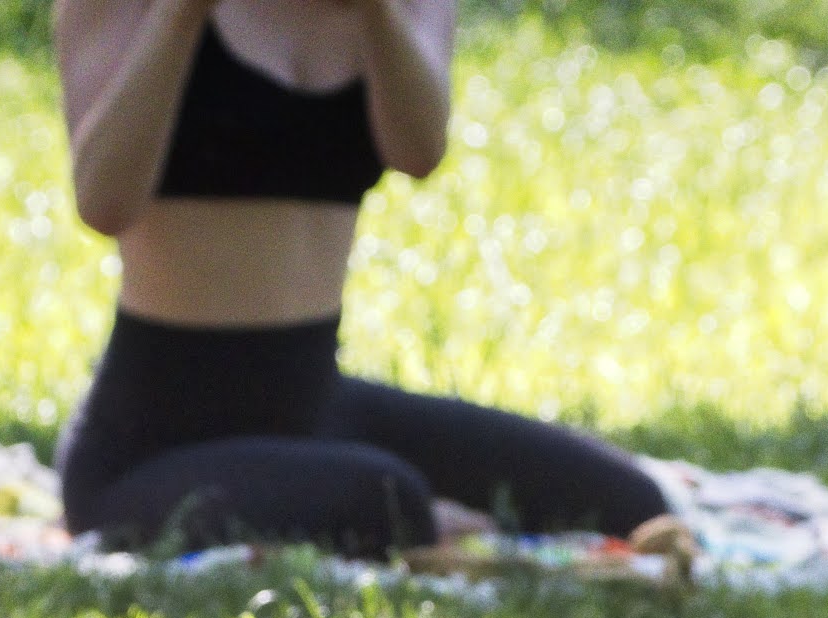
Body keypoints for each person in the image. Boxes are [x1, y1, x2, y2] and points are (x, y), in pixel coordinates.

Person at [52, 0, 672, 556]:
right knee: (387, 498)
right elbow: (104, 202)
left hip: (316, 407)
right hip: (147, 446)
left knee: (627, 502)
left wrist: (377, 11)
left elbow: (418, 150)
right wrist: (183, 14)